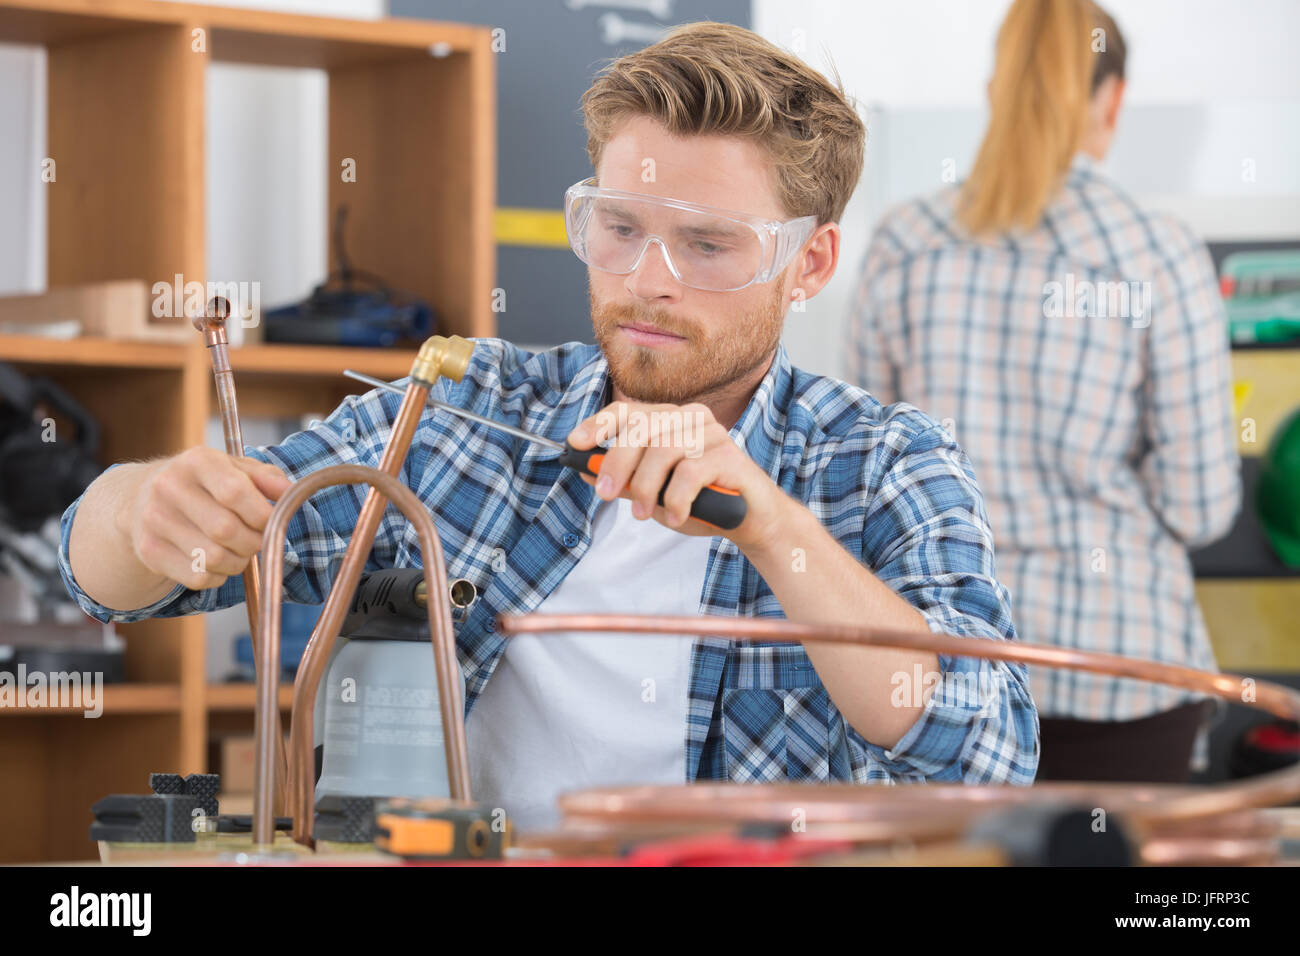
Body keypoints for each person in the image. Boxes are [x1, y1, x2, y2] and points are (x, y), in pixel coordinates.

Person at [60, 22, 1037, 830]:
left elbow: (986, 755)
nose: (650, 278)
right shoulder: (464, 411)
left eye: (706, 242)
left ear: (811, 262)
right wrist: (143, 506)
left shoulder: (880, 461)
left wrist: (775, 527)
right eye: (619, 226)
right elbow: (112, 571)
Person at [844, 0, 1239, 783]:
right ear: (1112, 98)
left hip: (949, 671)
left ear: (997, 86)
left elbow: (866, 475)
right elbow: (1200, 506)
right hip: (1126, 666)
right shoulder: (1156, 250)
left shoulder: (905, 241)